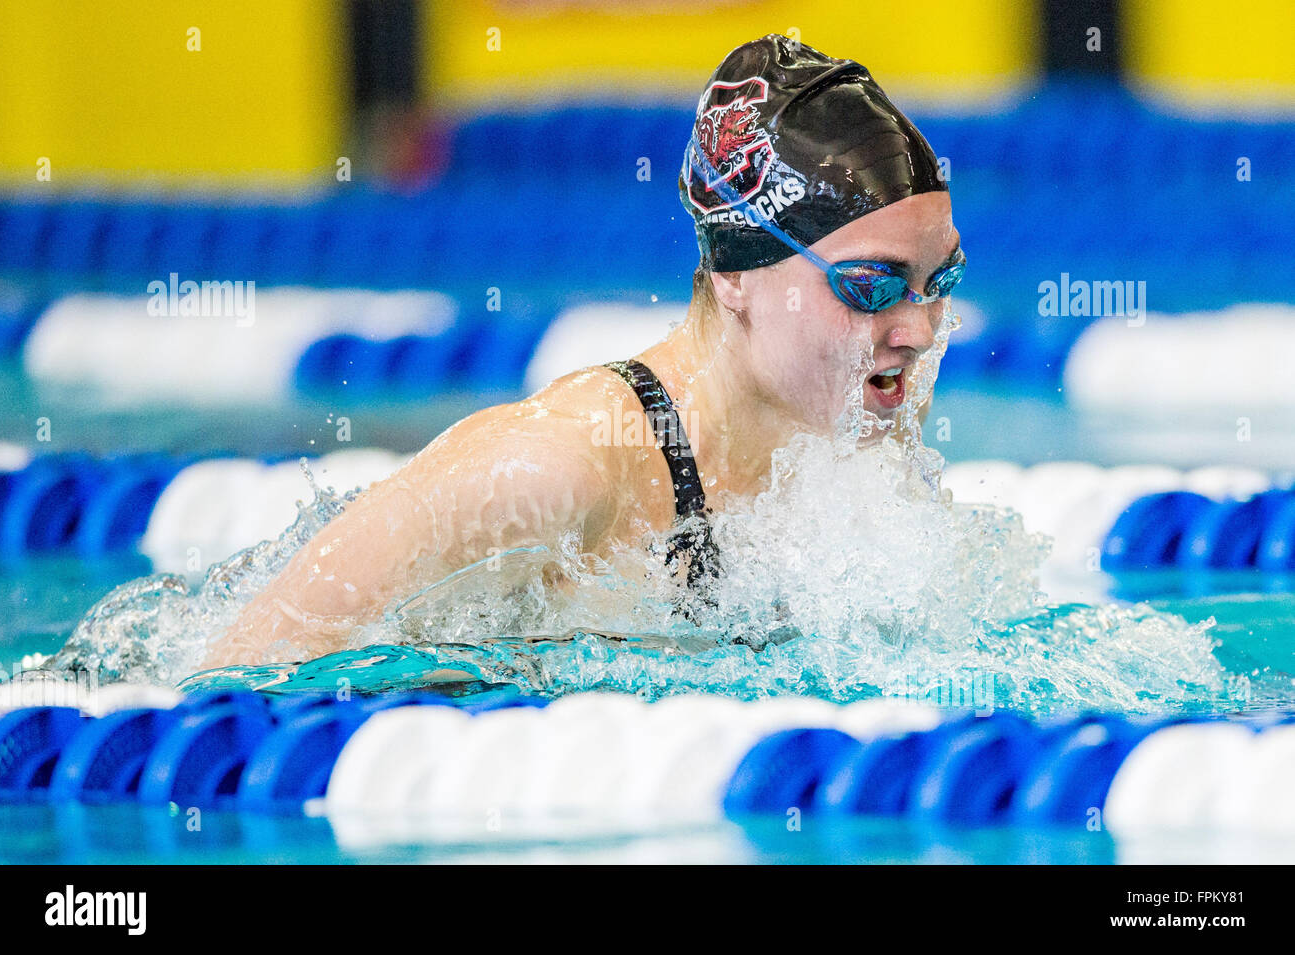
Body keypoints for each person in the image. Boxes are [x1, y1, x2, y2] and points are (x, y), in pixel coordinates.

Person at [199, 34, 964, 669]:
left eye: (939, 281)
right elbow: (231, 681)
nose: (919, 329)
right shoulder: (558, 469)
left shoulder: (862, 414)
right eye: (871, 285)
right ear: (736, 272)